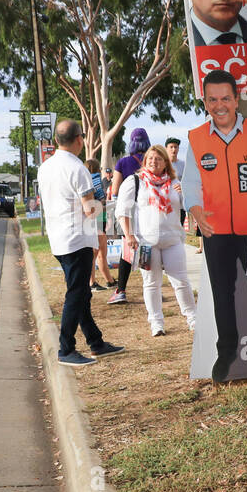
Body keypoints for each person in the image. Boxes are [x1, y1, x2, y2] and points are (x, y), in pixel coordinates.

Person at [180, 69, 247, 383]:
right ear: (205, 102)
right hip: (216, 232)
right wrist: (195, 210)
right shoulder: (196, 138)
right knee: (222, 294)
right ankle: (226, 352)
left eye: (226, 98)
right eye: (213, 99)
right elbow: (190, 184)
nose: (219, 105)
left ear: (236, 100)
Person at [37, 119, 123, 367]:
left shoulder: (46, 167)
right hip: (77, 239)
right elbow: (89, 210)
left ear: (56, 141)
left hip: (59, 238)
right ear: (79, 139)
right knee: (76, 294)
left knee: (82, 293)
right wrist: (106, 206)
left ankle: (96, 342)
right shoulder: (78, 168)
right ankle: (66, 348)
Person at [116, 144, 197, 338]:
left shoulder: (175, 182)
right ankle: (156, 322)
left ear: (165, 163)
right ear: (145, 161)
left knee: (181, 281)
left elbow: (190, 207)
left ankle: (193, 319)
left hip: (173, 240)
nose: (154, 161)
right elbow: (122, 211)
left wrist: (182, 192)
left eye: (158, 159)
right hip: (147, 242)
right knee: (151, 283)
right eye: (150, 158)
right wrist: (129, 235)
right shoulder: (135, 181)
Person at [107, 127, 150, 304]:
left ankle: (121, 290)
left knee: (127, 251)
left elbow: (115, 189)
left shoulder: (123, 163)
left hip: (128, 213)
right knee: (148, 249)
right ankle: (151, 288)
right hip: (148, 210)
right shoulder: (153, 160)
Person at [85, 158, 115, 290]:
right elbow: (100, 199)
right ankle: (92, 283)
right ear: (97, 169)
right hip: (97, 217)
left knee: (102, 251)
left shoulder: (86, 180)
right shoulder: (95, 180)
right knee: (95, 252)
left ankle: (110, 280)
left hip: (94, 217)